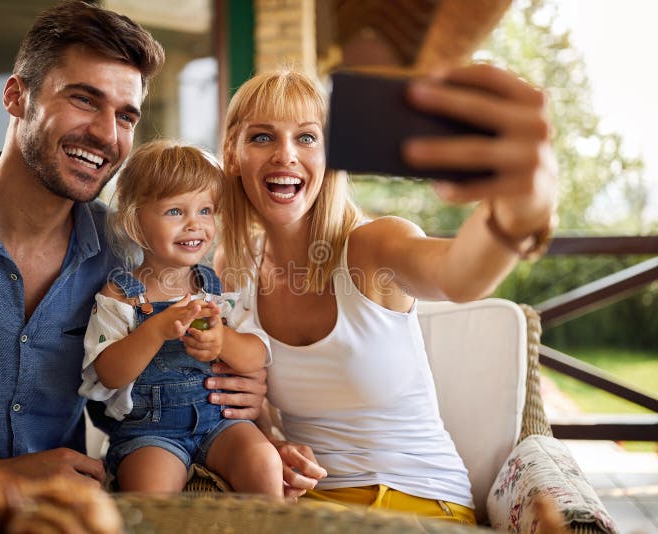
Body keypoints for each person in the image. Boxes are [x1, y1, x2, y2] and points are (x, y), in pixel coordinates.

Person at [0, 0, 266, 488]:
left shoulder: (128, 253)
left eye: (126, 116)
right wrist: (3, 478)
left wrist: (244, 425)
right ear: (16, 97)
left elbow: (134, 406)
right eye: (84, 100)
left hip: (69, 510)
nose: (106, 134)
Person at [218, 66, 557, 523]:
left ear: (332, 154)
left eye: (307, 138)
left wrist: (517, 213)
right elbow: (243, 403)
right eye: (262, 137)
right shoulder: (231, 268)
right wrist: (271, 442)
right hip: (314, 510)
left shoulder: (373, 247)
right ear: (233, 154)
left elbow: (458, 275)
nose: (286, 155)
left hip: (421, 501)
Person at [78, 140, 282, 496]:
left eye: (205, 211)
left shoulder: (216, 289)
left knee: (264, 462)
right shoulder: (121, 296)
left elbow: (256, 356)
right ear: (135, 221)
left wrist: (223, 341)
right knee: (151, 488)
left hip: (221, 423)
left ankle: (270, 520)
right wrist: (155, 330)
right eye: (175, 211)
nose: (194, 225)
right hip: (150, 433)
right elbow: (108, 373)